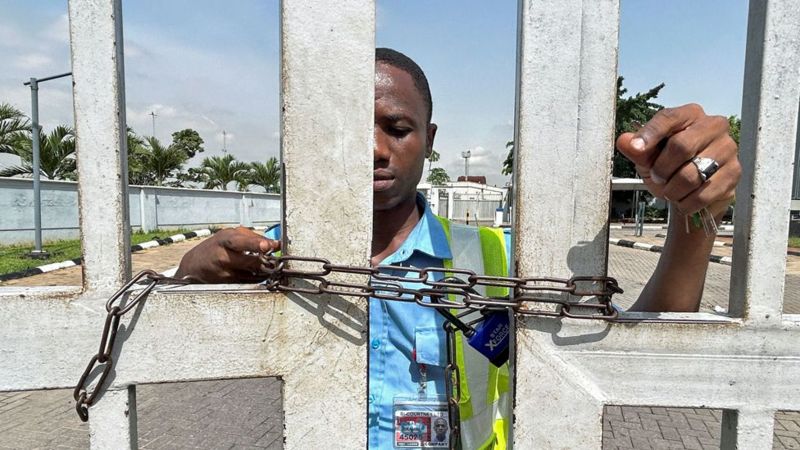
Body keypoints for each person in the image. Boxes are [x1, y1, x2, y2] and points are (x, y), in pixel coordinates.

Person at [176, 48, 740, 448]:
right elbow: (164, 344)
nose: (374, 149)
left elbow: (634, 347)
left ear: (430, 140)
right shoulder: (273, 257)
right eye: (352, 129)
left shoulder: (497, 261)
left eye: (396, 127)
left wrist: (697, 214)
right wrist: (190, 272)